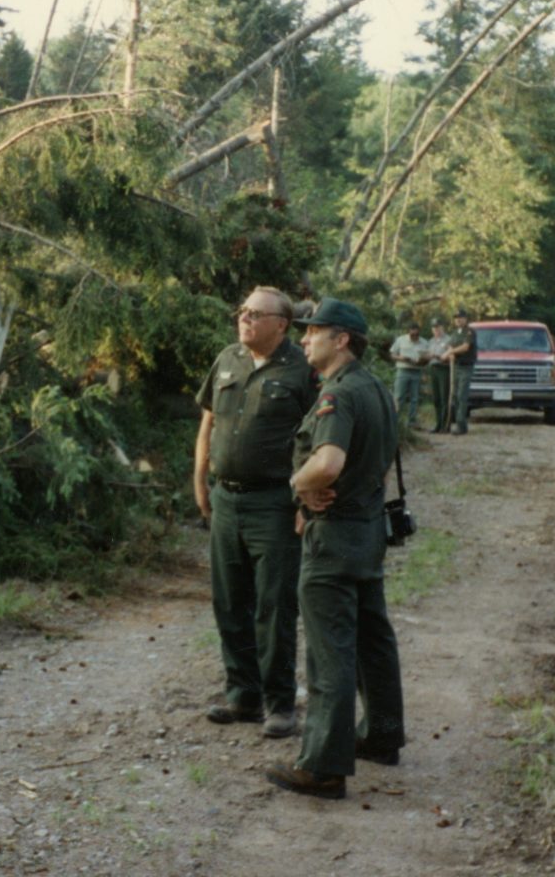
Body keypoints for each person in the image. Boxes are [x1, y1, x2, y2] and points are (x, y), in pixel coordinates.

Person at [264, 297, 405, 801]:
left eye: (314, 332)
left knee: (330, 655)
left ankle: (323, 767)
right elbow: (379, 463)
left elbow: (327, 463)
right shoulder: (376, 389)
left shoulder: (339, 394)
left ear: (341, 340)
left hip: (334, 539)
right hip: (367, 532)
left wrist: (297, 486)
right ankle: (383, 735)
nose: (303, 339)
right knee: (372, 640)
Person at [194, 287, 316, 739]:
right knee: (229, 602)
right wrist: (199, 478)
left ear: (281, 325)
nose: (244, 318)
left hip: (275, 503)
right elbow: (208, 421)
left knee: (274, 606)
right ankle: (242, 695)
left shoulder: (303, 369)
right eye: (243, 311)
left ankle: (280, 704)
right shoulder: (228, 358)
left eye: (255, 314)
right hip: (226, 498)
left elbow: (317, 437)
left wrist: (306, 502)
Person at [388, 317, 429, 429]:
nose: (414, 336)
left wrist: (423, 361)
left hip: (417, 371)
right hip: (403, 370)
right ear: (408, 332)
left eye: (416, 334)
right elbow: (392, 354)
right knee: (399, 396)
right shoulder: (401, 340)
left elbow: (428, 356)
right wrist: (401, 358)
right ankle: (395, 420)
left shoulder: (424, 342)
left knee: (414, 398)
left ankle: (412, 421)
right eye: (412, 334)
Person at [445, 308, 478, 435]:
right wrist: (451, 352)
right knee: (454, 395)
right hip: (456, 366)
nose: (458, 320)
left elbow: (465, 347)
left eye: (460, 317)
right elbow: (450, 344)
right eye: (456, 318)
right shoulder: (455, 332)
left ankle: (460, 424)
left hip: (465, 367)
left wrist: (451, 351)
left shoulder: (469, 332)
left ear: (465, 319)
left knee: (461, 395)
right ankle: (457, 423)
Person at [426, 316, 451, 433]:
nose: (436, 329)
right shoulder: (430, 341)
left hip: (444, 368)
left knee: (444, 397)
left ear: (442, 327)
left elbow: (451, 356)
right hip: (433, 369)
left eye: (438, 327)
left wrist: (437, 356)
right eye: (434, 327)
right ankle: (438, 423)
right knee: (436, 398)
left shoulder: (448, 340)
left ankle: (445, 425)